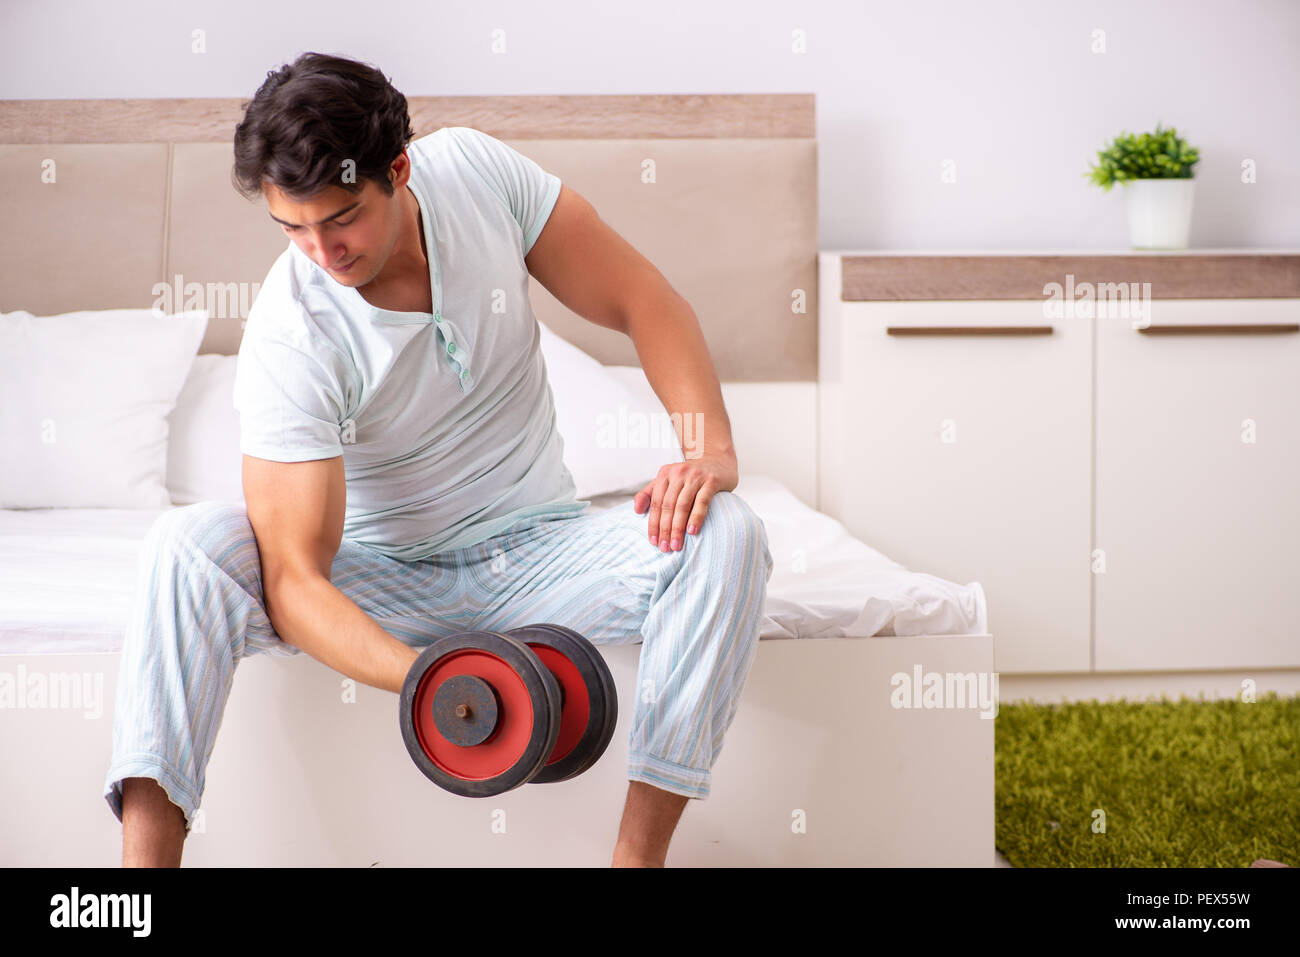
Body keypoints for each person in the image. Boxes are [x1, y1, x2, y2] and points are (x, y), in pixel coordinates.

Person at [103, 51, 772, 868]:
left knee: (726, 533)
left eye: (341, 217)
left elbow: (643, 297)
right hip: (384, 583)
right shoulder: (292, 330)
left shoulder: (479, 174)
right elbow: (295, 580)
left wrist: (711, 452)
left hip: (543, 552)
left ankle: (637, 860)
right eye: (293, 227)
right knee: (183, 548)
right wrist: (440, 675)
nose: (321, 251)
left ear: (399, 168)